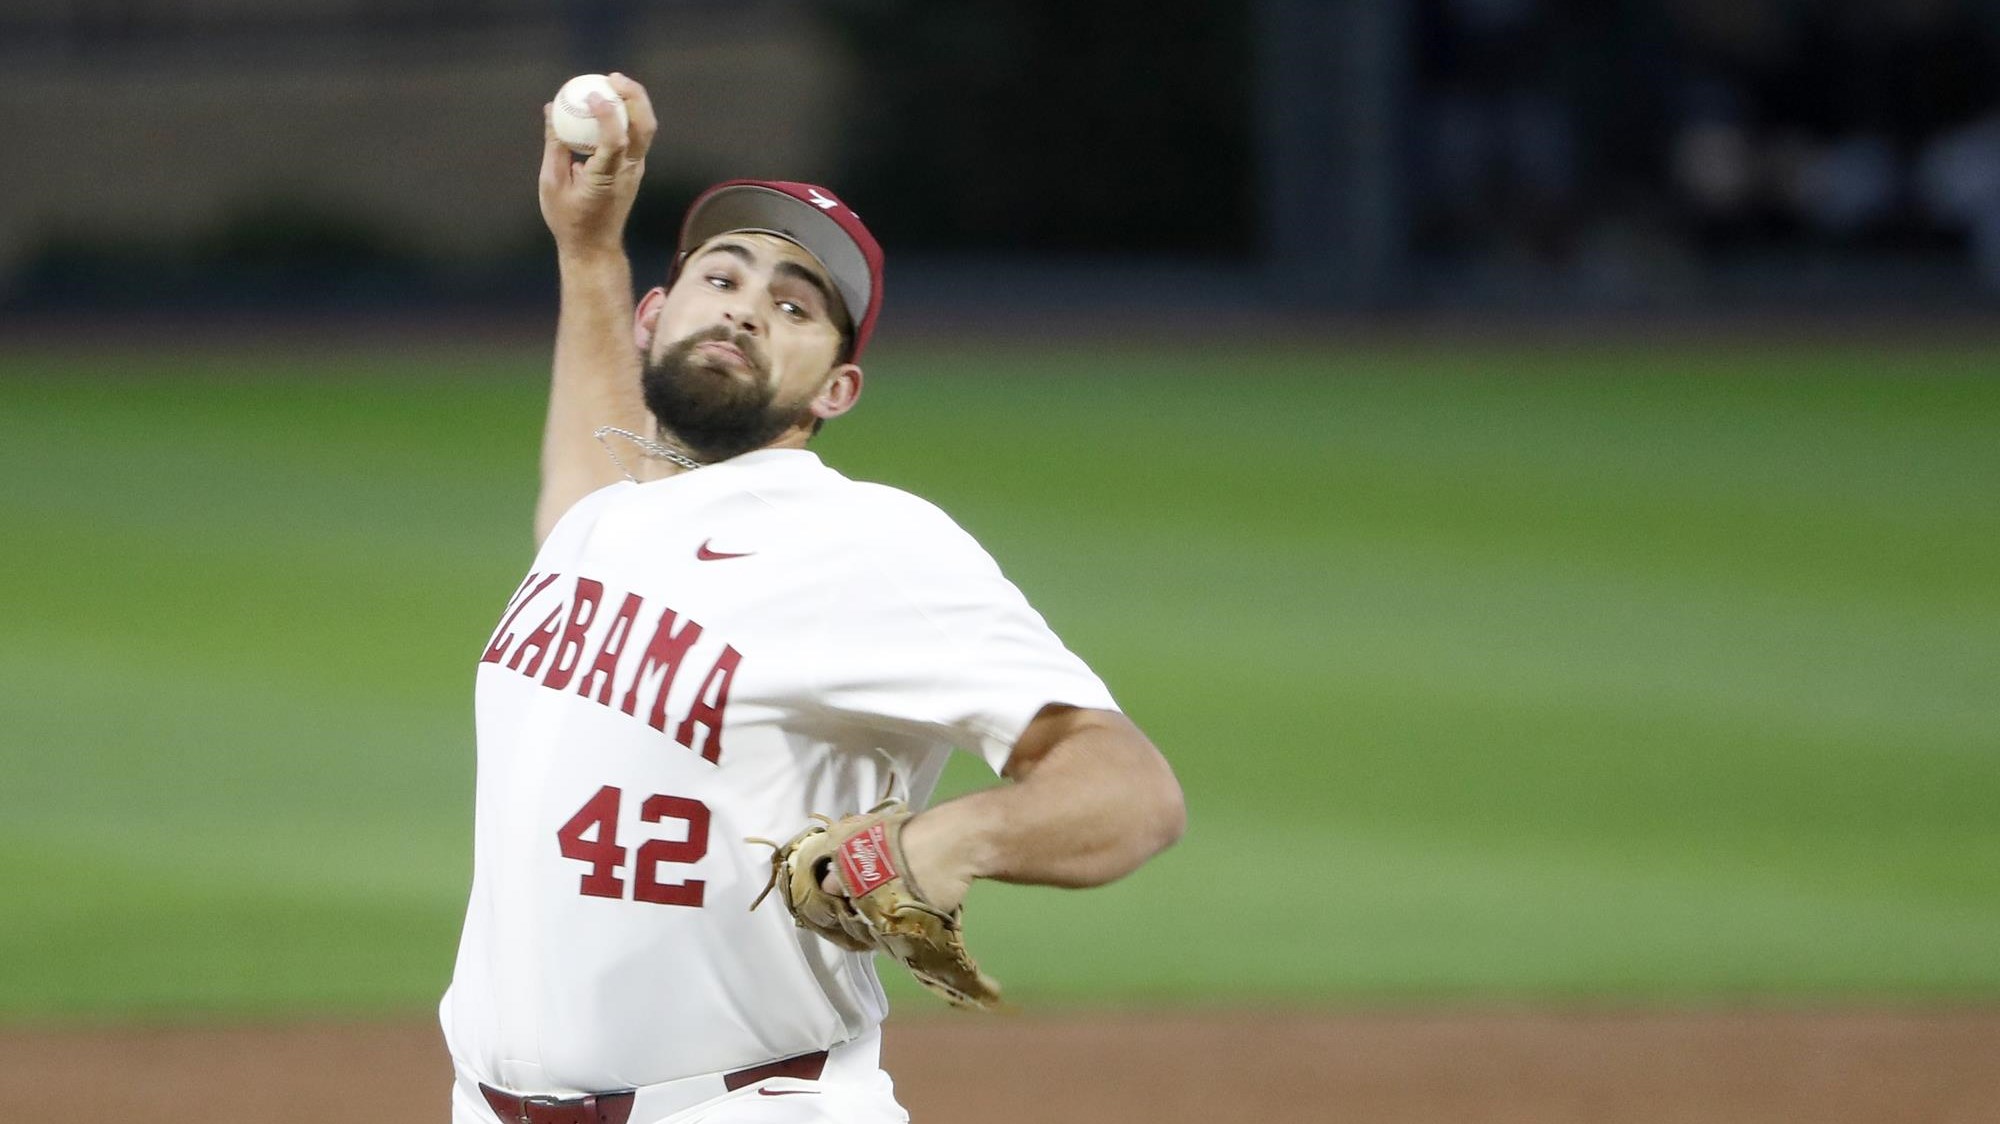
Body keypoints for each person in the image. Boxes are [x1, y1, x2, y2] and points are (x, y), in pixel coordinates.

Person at [438, 74, 1186, 1124]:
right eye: (720, 277)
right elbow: (589, 474)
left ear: (837, 388)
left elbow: (1131, 790)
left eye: (794, 306)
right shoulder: (604, 523)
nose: (745, 305)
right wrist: (589, 248)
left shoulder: (866, 541)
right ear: (654, 317)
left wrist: (950, 840)